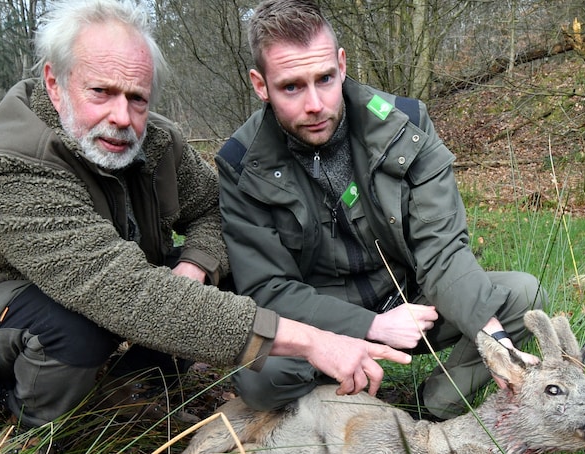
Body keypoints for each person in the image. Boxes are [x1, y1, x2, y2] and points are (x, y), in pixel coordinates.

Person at [0, 0, 408, 431]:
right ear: (55, 83)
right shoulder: (7, 166)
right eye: (100, 92)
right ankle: (29, 437)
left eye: (137, 98)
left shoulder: (157, 141)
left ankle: (135, 386)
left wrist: (197, 266)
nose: (122, 118)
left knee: (234, 266)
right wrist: (311, 341)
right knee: (75, 324)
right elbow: (120, 291)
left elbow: (217, 211)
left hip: (105, 293)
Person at [217, 0, 546, 420]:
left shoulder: (405, 125)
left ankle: (435, 407)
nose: (315, 104)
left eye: (325, 79)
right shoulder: (241, 162)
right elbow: (269, 289)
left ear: (341, 63)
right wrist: (369, 328)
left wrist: (494, 342)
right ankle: (344, 405)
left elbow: (442, 250)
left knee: (522, 297)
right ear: (261, 85)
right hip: (321, 322)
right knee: (259, 376)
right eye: (292, 87)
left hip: (411, 302)